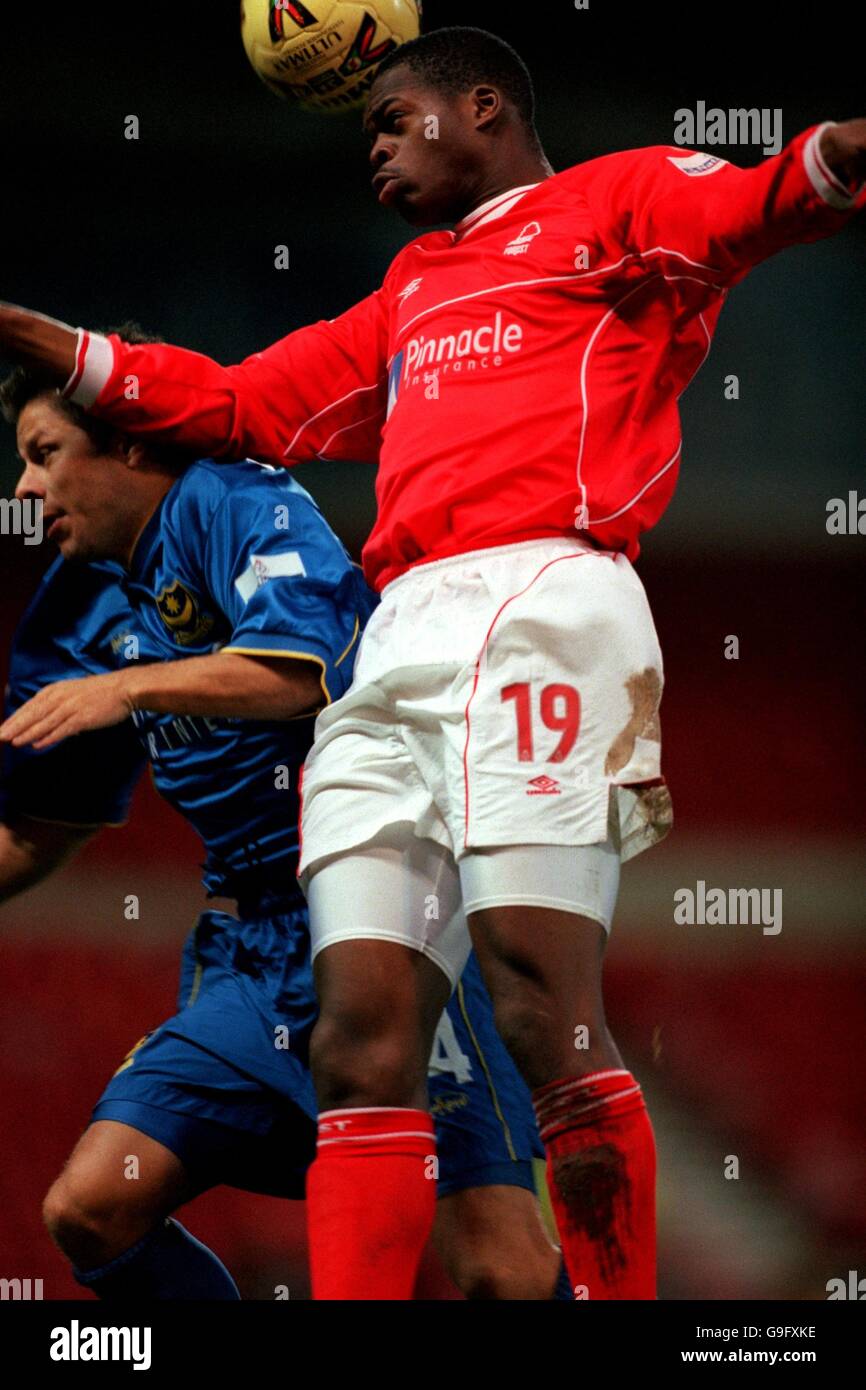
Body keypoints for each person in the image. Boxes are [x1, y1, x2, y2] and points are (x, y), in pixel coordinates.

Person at [0, 25, 863, 1299]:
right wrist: (51, 340)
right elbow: (244, 402)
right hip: (401, 631)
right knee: (360, 1030)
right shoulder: (411, 286)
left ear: (480, 106)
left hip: (546, 593)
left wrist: (840, 154)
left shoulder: (610, 203)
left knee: (535, 1005)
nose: (375, 153)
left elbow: (779, 190)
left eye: (390, 124)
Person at [0, 351, 569, 1300]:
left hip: (389, 914)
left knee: (498, 1267)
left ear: (129, 442)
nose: (24, 486)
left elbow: (307, 668)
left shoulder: (232, 499)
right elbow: (37, 830)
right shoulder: (74, 615)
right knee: (90, 1208)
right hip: (247, 955)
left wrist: (127, 687)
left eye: (44, 452)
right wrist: (111, 686)